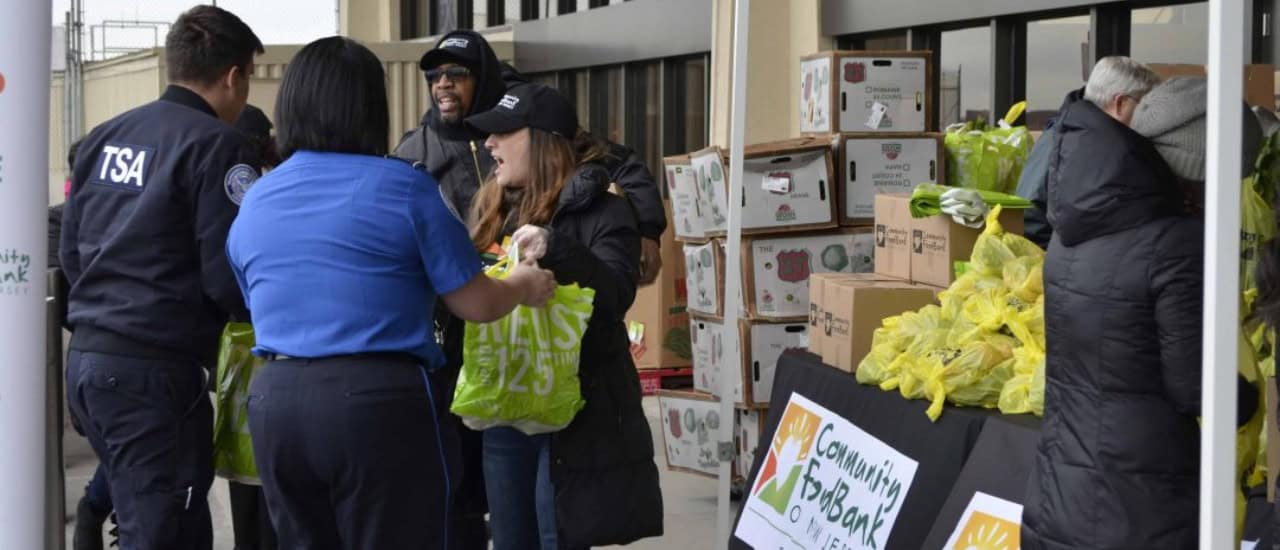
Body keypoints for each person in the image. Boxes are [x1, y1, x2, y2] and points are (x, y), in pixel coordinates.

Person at [225, 36, 557, 549]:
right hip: (379, 404)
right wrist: (524, 284)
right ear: (368, 108)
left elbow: (253, 296)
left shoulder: (258, 198)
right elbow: (474, 302)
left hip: (277, 402)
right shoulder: (405, 187)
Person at [1022, 76, 1262, 550]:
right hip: (1139, 510)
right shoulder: (1175, 243)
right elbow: (1195, 387)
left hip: (1058, 495)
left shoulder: (1071, 229)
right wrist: (1251, 400)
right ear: (1200, 170)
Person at [60, 6, 262, 549]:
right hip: (152, 373)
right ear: (233, 76)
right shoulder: (219, 146)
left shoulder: (105, 136)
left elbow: (71, 253)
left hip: (88, 363)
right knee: (162, 528)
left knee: (165, 520)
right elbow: (227, 271)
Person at [465, 82, 664, 549]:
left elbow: (616, 294)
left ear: (542, 140)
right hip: (505, 409)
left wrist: (557, 249)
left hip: (575, 416)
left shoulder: (606, 209)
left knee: (557, 537)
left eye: (502, 132)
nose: (489, 143)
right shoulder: (493, 208)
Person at [1015, 56, 1160, 249]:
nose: (1151, 116)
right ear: (1120, 103)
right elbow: (1030, 216)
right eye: (1146, 106)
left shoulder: (1075, 135)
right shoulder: (1065, 141)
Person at [55, 138, 117, 550]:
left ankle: (100, 515)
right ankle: (95, 511)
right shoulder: (55, 222)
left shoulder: (122, 219)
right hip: (96, 361)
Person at [225, 104, 279, 550]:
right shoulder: (273, 186)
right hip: (270, 347)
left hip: (244, 346)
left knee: (249, 473)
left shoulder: (246, 188)